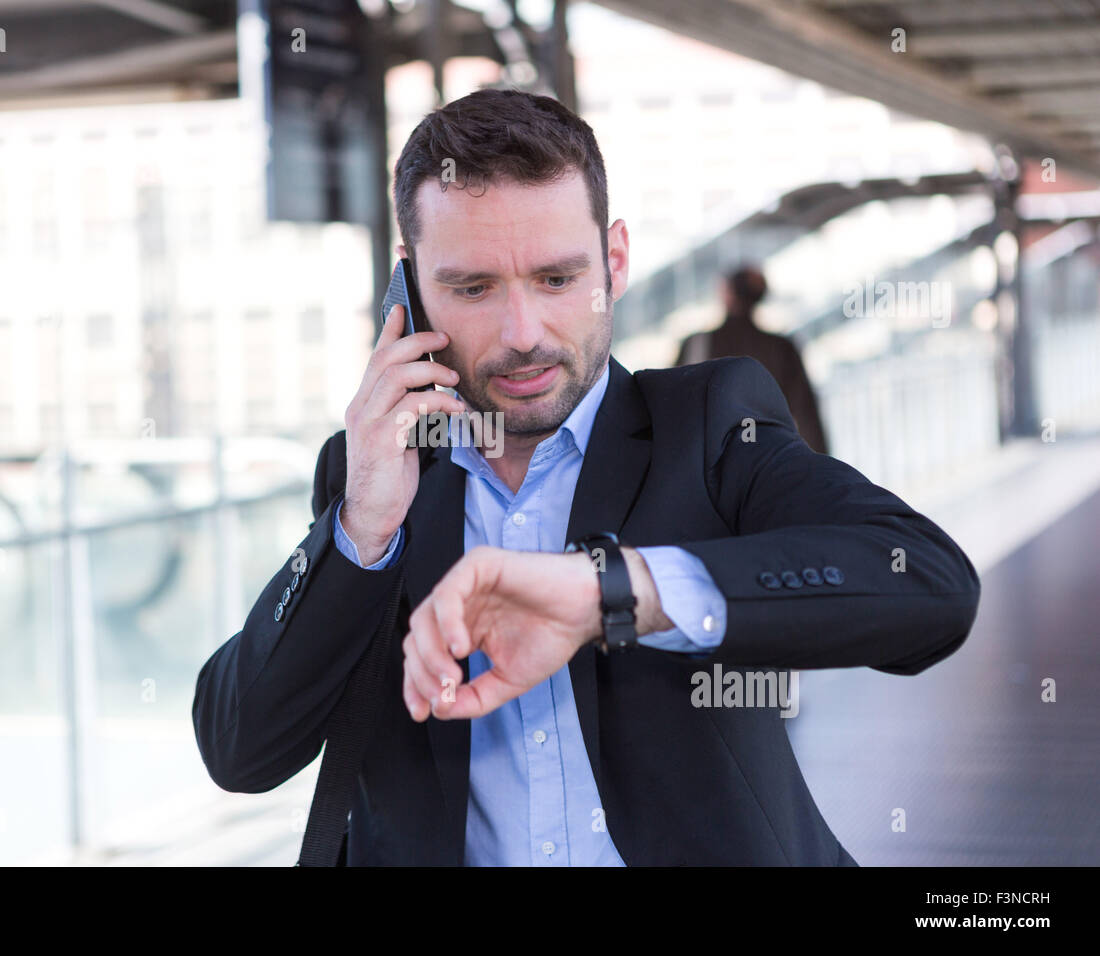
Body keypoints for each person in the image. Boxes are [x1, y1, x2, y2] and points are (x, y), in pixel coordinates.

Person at [192, 89, 980, 865]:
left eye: (558, 279)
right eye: (472, 288)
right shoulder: (372, 477)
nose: (523, 335)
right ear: (408, 285)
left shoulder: (708, 427)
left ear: (616, 261)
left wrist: (611, 592)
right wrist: (363, 530)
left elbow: (933, 588)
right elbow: (241, 751)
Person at [676, 267, 829, 454]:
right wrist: (818, 463)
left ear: (727, 294)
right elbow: (807, 414)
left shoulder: (696, 345)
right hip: (768, 458)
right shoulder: (781, 348)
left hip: (710, 461)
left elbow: (674, 407)